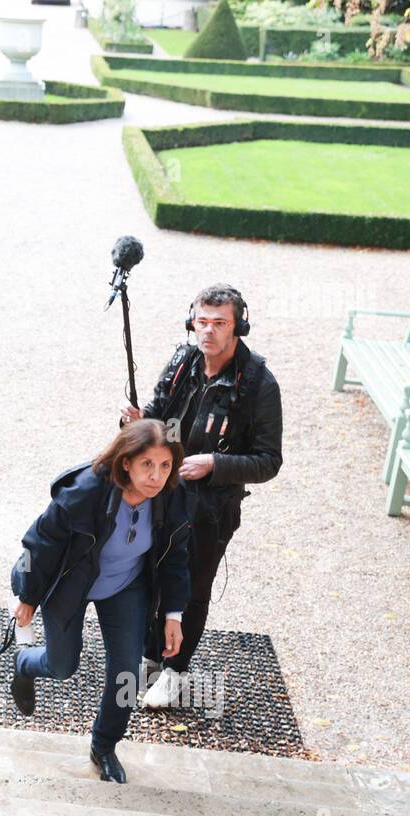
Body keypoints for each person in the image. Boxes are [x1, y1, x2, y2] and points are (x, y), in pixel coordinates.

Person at [119, 283, 282, 708]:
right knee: (151, 574)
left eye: (220, 323)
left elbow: (268, 460)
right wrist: (139, 425)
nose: (208, 331)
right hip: (163, 489)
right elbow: (164, 425)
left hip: (211, 508)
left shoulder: (259, 384)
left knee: (190, 587)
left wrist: (214, 464)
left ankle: (175, 671)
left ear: (238, 326)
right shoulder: (182, 363)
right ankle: (151, 657)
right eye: (202, 322)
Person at [10, 419, 191, 784]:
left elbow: (176, 556)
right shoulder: (85, 492)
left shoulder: (172, 496)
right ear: (126, 462)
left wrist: (174, 614)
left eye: (165, 465)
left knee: (126, 673)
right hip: (71, 584)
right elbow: (38, 543)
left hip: (125, 586)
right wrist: (28, 596)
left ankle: (104, 745)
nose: (156, 476)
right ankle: (24, 664)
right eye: (147, 465)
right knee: (62, 667)